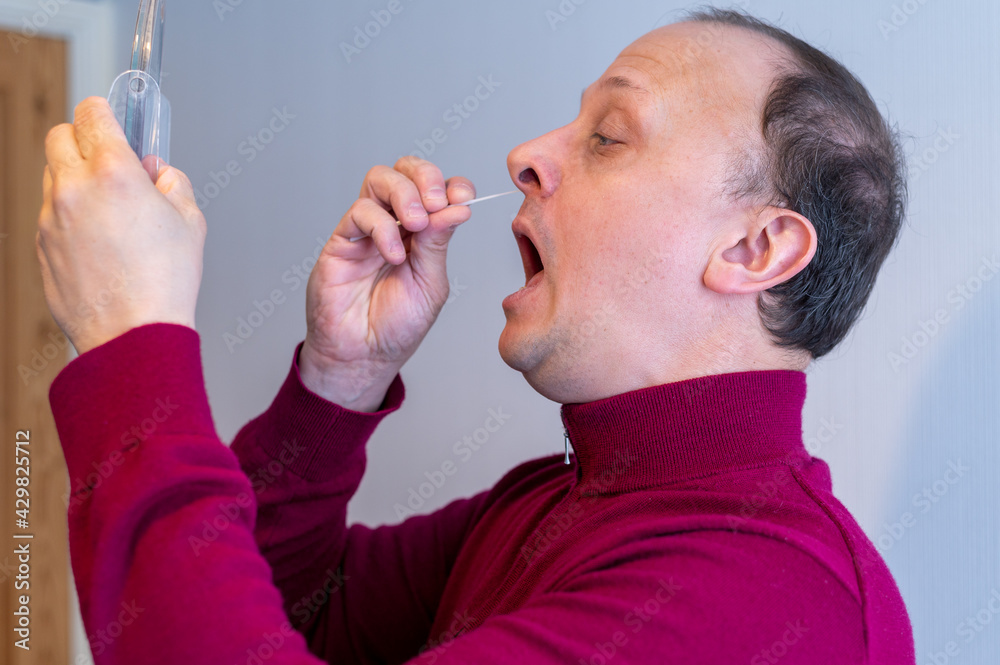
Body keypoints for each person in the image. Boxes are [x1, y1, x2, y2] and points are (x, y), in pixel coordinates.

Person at [37, 8, 913, 665]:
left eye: (609, 136)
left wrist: (132, 339)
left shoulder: (762, 596)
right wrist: (341, 381)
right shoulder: (551, 502)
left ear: (756, 248)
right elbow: (289, 611)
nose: (526, 154)